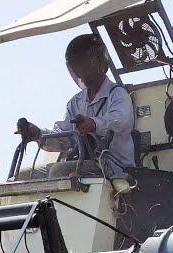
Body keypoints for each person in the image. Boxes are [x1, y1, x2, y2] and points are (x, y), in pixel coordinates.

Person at [16, 34, 136, 180]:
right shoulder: (76, 102)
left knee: (59, 171)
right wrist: (38, 134)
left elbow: (119, 121)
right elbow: (64, 137)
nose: (79, 73)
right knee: (22, 176)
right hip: (81, 163)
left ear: (98, 62)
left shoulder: (117, 94)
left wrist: (93, 124)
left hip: (113, 167)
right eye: (76, 68)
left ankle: (53, 203)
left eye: (83, 66)